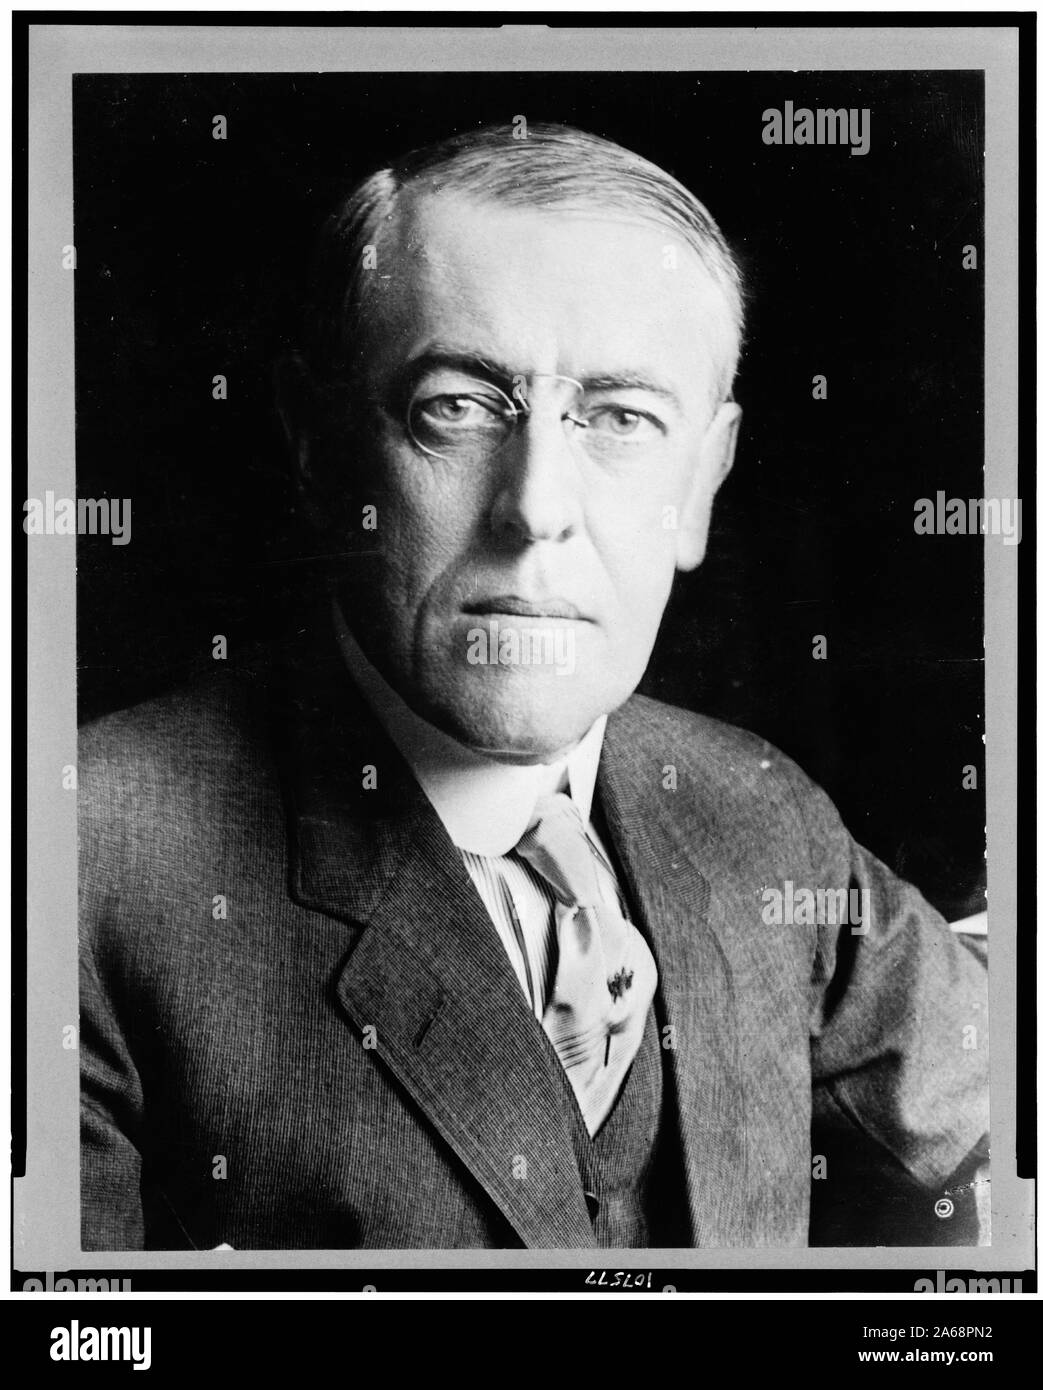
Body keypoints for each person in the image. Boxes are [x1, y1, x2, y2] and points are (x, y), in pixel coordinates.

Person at [79, 122, 988, 1251]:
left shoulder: (754, 808)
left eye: (620, 419)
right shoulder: (78, 873)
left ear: (701, 484)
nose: (534, 506)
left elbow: (999, 1108)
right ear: (318, 446)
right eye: (457, 406)